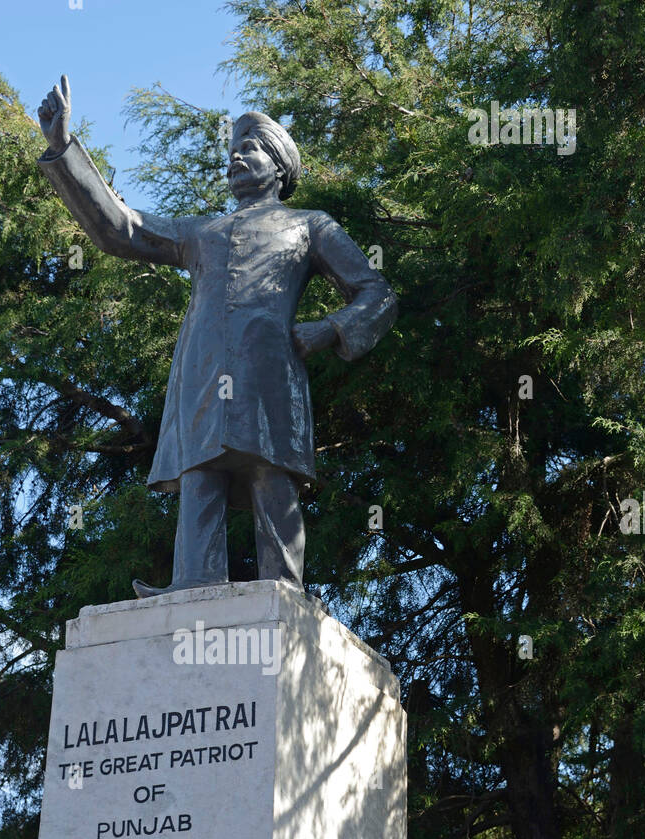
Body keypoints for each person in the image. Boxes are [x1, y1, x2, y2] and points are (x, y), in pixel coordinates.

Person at [38, 76, 397, 597]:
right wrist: (64, 149)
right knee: (200, 475)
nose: (235, 156)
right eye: (231, 149)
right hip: (202, 373)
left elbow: (377, 293)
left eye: (249, 147)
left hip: (270, 372)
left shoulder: (310, 226)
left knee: (271, 475)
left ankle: (284, 591)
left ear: (279, 166)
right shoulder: (201, 232)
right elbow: (122, 228)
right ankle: (193, 585)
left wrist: (329, 330)